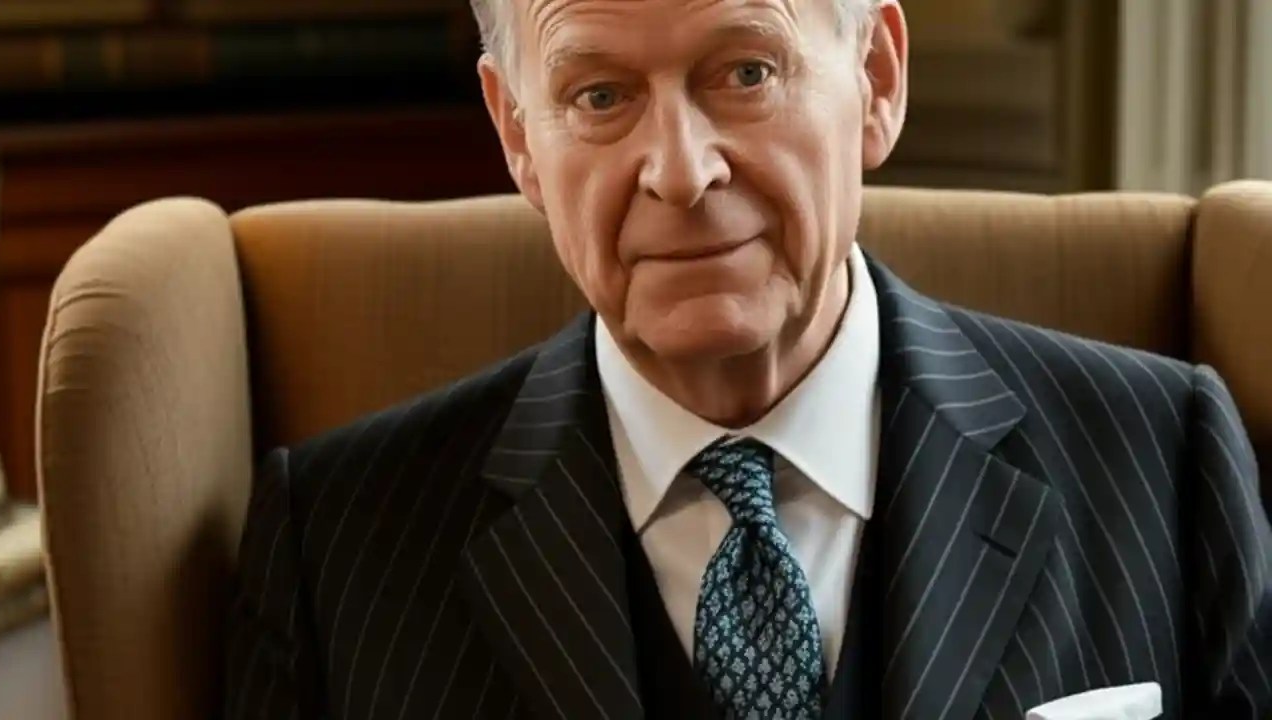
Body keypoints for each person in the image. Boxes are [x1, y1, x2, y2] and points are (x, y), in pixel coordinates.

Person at [223, 0, 1272, 717]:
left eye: (745, 72)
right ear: (516, 136)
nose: (680, 173)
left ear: (876, 77)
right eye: (599, 96)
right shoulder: (335, 546)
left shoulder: (1162, 455)